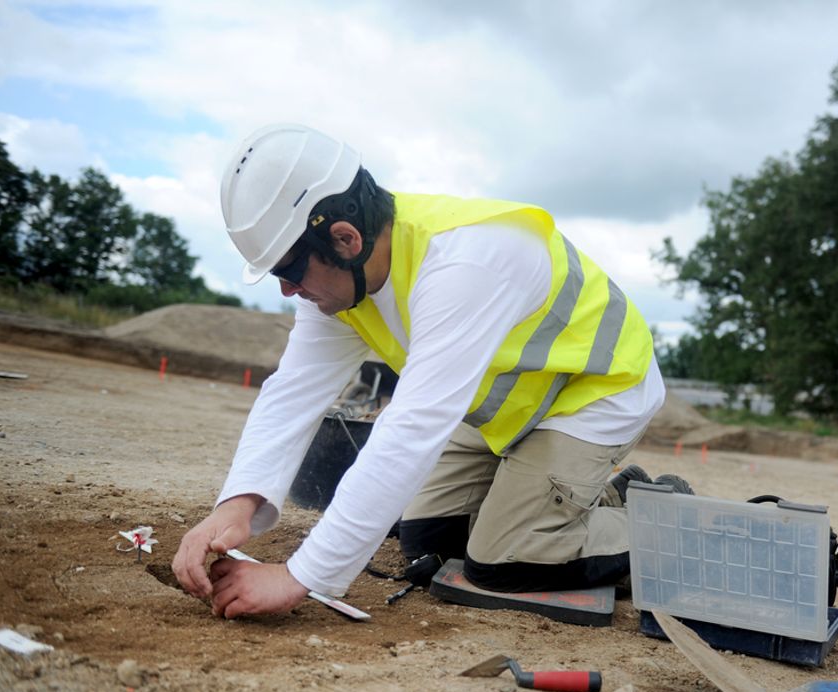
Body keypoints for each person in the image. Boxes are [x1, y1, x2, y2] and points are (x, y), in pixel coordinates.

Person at [172, 123, 684, 619]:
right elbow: (291, 393)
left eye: (288, 270)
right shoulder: (342, 283)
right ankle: (598, 493)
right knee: (428, 537)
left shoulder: (465, 264)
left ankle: (667, 520)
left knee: (500, 561)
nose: (287, 290)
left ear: (346, 239)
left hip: (594, 393)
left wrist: (301, 576)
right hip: (512, 406)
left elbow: (413, 428)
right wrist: (237, 505)